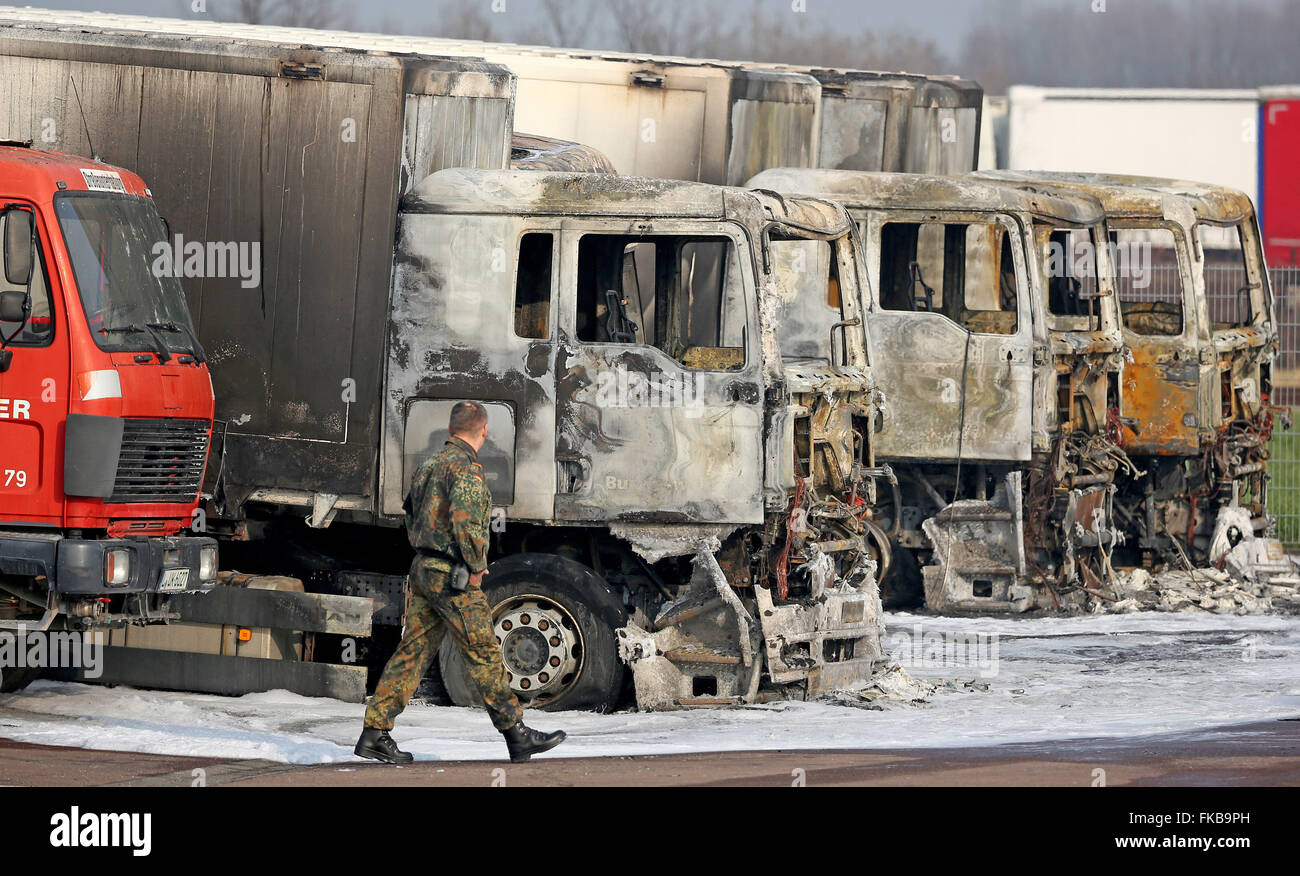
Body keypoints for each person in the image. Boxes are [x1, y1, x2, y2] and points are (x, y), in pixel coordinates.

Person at [355, 400, 566, 764]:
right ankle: (517, 734)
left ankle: (375, 733)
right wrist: (475, 564)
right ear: (483, 431)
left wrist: (429, 550)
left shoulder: (429, 465)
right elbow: (467, 523)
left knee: (413, 652)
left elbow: (410, 515)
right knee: (483, 651)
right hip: (452, 576)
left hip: (424, 569)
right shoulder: (465, 468)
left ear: (452, 428)